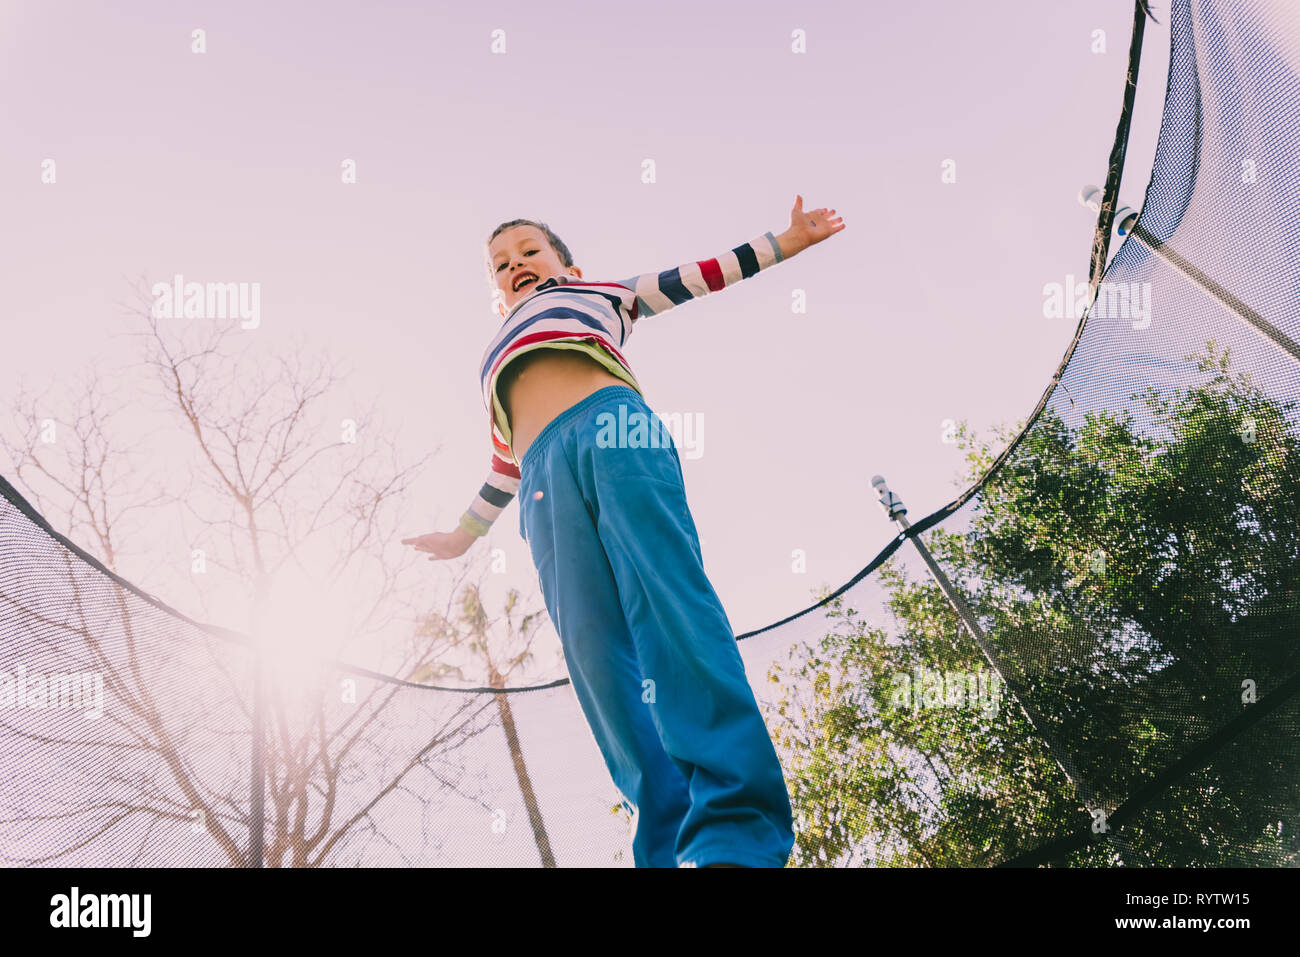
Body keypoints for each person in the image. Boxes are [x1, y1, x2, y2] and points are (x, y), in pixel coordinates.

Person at [403, 196, 845, 867]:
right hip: (542, 473)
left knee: (666, 605)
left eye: (530, 251)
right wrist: (463, 535)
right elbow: (503, 462)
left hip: (615, 428)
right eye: (501, 263)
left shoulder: (601, 294)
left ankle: (734, 832)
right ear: (494, 290)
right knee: (595, 654)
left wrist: (785, 241)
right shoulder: (495, 354)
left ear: (568, 267)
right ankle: (667, 845)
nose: (516, 264)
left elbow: (693, 275)